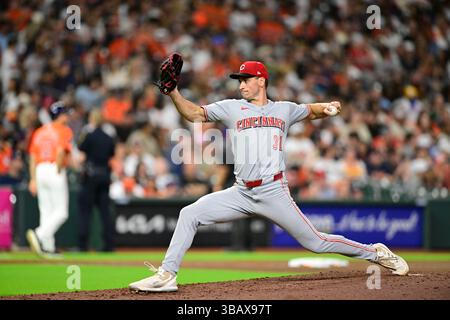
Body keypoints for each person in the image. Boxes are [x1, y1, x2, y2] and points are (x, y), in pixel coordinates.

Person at [129, 60, 409, 293]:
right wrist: (174, 92)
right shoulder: (231, 107)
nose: (241, 84)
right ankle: (167, 275)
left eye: (246, 79)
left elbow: (310, 111)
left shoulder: (284, 109)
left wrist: (328, 106)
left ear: (261, 81)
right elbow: (193, 114)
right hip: (240, 192)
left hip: (274, 191)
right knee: (189, 213)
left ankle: (376, 252)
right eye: (239, 80)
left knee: (316, 243)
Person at [26, 101, 73, 259]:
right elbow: (60, 151)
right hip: (54, 167)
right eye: (65, 113)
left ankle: (47, 247)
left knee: (46, 210)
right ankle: (39, 235)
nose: (67, 116)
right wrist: (58, 169)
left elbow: (32, 157)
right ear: (60, 115)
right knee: (61, 212)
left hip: (39, 169)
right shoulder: (63, 130)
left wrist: (32, 179)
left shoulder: (40, 132)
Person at [77, 109, 116, 252]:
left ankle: (82, 245)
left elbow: (81, 151)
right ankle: (109, 245)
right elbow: (112, 154)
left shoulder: (89, 135)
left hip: (91, 176)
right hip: (105, 175)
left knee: (85, 211)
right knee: (105, 212)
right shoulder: (108, 136)